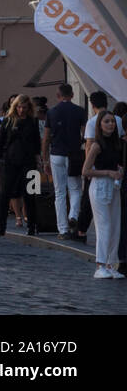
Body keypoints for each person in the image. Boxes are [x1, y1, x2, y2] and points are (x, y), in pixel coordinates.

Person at [0, 94, 42, 240]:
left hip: (28, 161)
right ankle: (1, 227)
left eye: (24, 107)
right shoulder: (8, 121)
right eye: (19, 107)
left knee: (31, 194)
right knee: (4, 194)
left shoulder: (33, 121)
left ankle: (32, 226)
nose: (21, 110)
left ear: (28, 108)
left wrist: (39, 160)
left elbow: (36, 142)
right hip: (9, 161)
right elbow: (0, 141)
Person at [81, 110, 124, 279]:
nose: (111, 124)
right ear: (100, 125)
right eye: (107, 121)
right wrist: (107, 172)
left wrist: (118, 171)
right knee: (104, 226)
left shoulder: (116, 144)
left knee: (115, 226)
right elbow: (85, 171)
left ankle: (111, 264)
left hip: (114, 186)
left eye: (112, 121)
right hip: (99, 186)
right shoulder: (96, 145)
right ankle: (100, 264)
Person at [42, 82, 86, 238]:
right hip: (74, 154)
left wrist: (45, 159)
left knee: (59, 192)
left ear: (58, 96)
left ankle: (63, 229)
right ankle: (73, 215)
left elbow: (46, 138)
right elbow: (85, 135)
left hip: (56, 154)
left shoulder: (52, 112)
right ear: (72, 95)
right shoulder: (80, 111)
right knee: (75, 189)